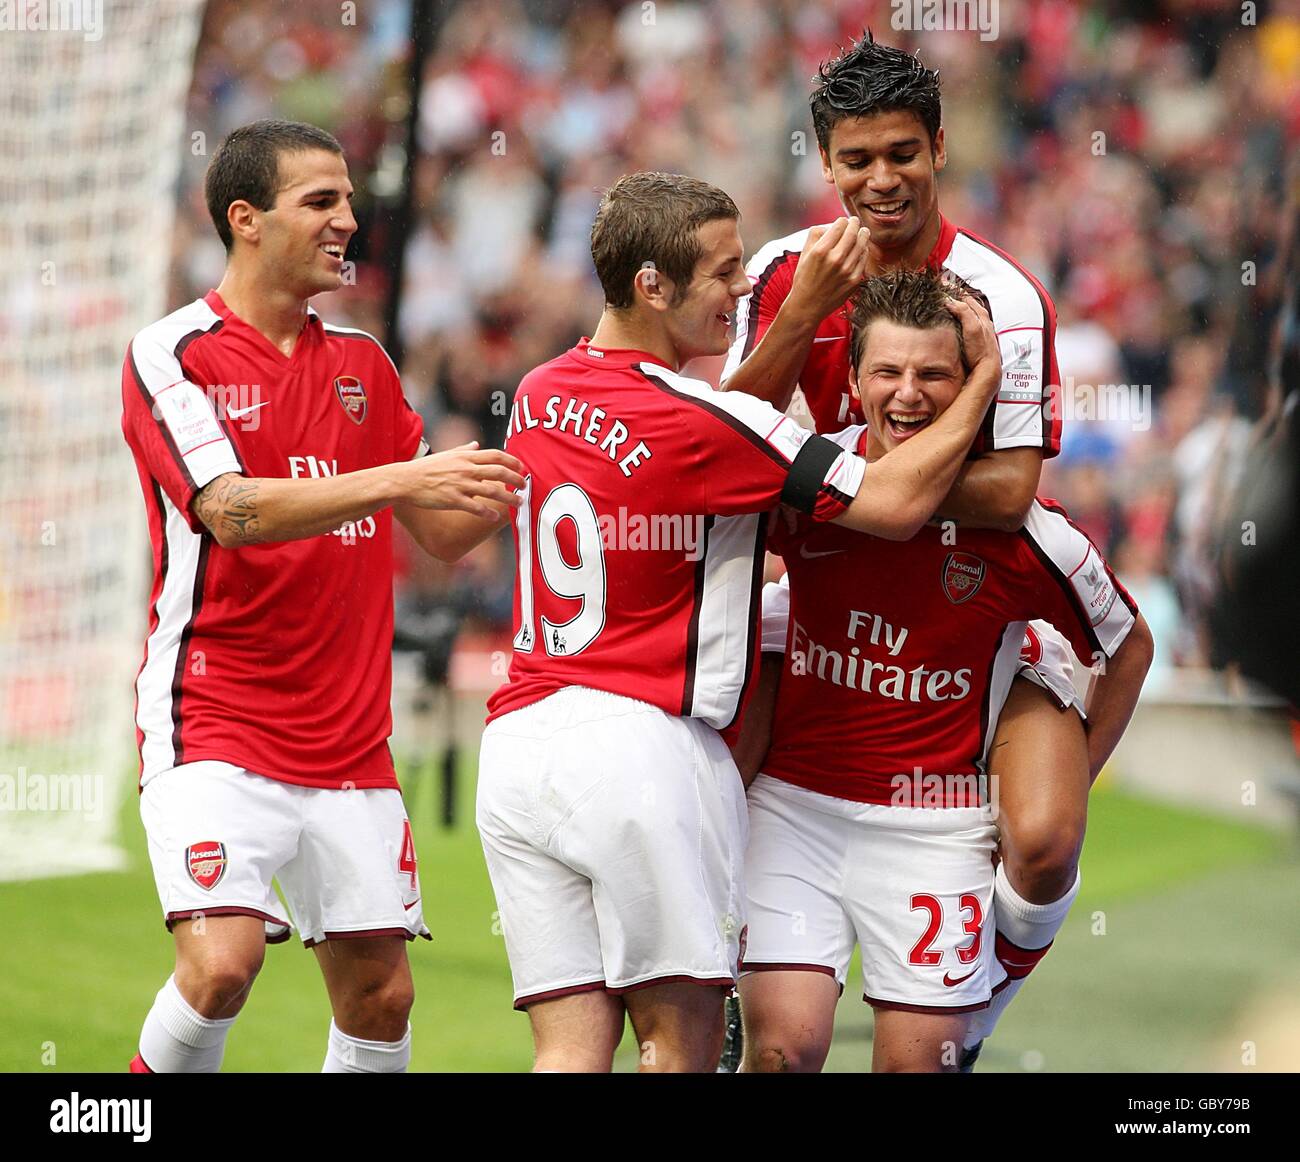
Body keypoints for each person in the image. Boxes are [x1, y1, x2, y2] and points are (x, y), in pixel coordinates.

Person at [476, 171, 1002, 1073]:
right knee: (679, 1053)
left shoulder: (540, 387)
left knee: (566, 1053)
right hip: (642, 748)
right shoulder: (700, 418)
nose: (745, 290)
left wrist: (794, 318)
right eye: (725, 273)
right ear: (653, 285)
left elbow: (717, 428)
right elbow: (895, 502)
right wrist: (986, 376)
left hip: (520, 747)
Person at [721, 32, 1096, 1062]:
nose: (880, 179)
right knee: (708, 711)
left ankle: (977, 1012)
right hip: (817, 585)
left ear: (938, 147)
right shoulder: (779, 271)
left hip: (966, 600)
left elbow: (1014, 489)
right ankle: (709, 965)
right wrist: (798, 316)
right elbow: (725, 446)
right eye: (856, 160)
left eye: (901, 153)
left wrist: (852, 496)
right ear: (824, 162)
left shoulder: (1003, 297)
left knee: (1044, 840)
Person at [120, 119, 522, 1073]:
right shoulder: (174, 353)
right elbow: (232, 512)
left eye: (349, 200)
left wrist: (540, 463)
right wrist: (398, 481)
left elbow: (439, 533)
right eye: (322, 202)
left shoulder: (366, 366)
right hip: (215, 718)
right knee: (223, 965)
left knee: (381, 998)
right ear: (245, 219)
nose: (349, 219)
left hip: (347, 738)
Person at [733, 269, 1153, 1071]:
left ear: (971, 387)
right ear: (853, 383)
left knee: (917, 1066)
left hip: (936, 824)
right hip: (795, 809)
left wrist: (1078, 774)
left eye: (934, 375)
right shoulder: (809, 480)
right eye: (887, 373)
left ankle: (981, 1008)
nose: (908, 396)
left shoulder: (1024, 532)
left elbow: (1130, 645)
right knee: (782, 1053)